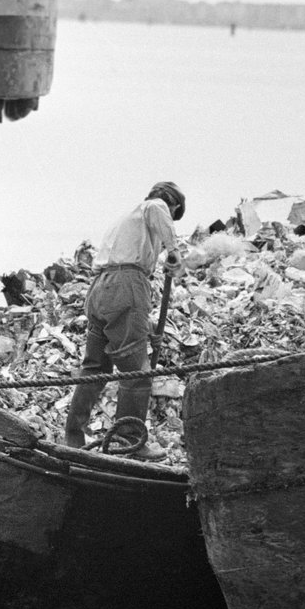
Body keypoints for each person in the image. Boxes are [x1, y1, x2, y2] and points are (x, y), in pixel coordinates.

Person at [64, 182, 188, 460]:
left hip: (99, 289)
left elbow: (123, 308)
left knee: (94, 368)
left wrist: (150, 328)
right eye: (173, 213)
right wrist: (173, 250)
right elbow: (128, 297)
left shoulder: (126, 221)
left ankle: (72, 437)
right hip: (126, 284)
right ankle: (129, 440)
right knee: (137, 374)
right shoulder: (154, 206)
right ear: (173, 205)